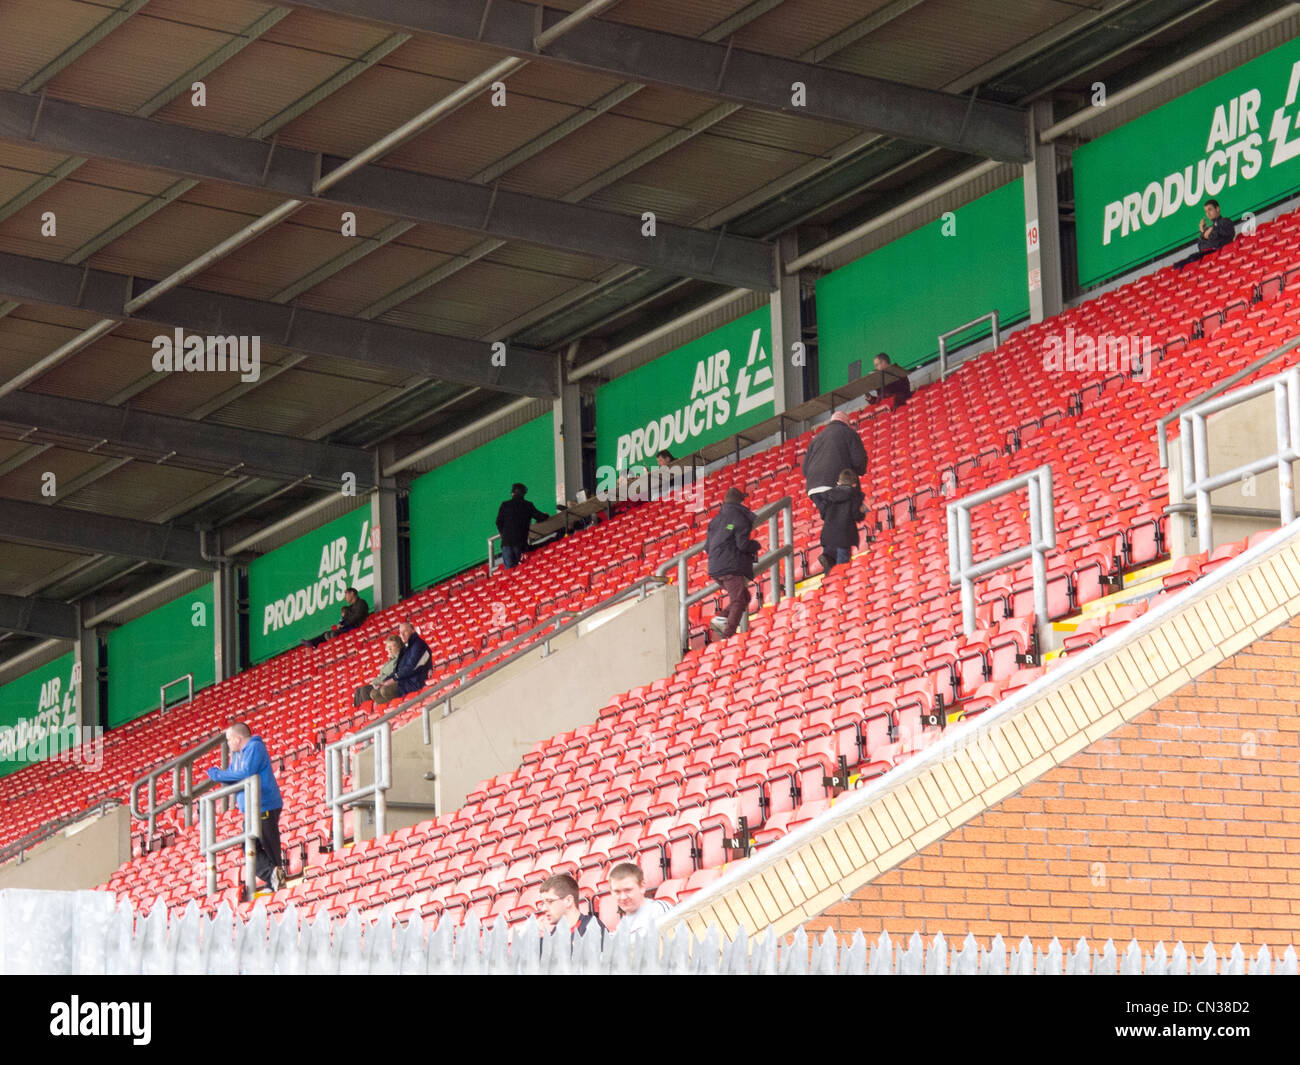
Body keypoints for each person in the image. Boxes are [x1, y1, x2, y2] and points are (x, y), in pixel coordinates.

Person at [204, 722, 284, 892]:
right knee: (249, 846)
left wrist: (218, 774)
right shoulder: (239, 756)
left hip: (264, 805)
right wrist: (221, 776)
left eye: (229, 740)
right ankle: (273, 877)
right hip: (251, 809)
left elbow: (246, 773)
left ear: (238, 738)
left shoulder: (256, 748)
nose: (228, 744)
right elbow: (233, 776)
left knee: (269, 845)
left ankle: (276, 882)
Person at [706, 487, 758, 639]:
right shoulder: (738, 516)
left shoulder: (715, 520)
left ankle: (722, 618)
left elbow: (708, 547)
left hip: (715, 567)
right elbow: (742, 545)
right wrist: (755, 545)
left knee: (744, 597)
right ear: (740, 501)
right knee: (738, 599)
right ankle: (727, 636)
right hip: (729, 567)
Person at [803, 411, 867, 518]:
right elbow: (859, 461)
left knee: (832, 521)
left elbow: (805, 470)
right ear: (847, 422)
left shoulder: (816, 439)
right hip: (835, 485)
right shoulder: (848, 433)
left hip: (814, 490)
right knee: (845, 519)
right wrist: (859, 472)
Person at [817, 469, 867, 575]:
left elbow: (823, 512)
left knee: (830, 564)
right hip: (844, 535)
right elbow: (856, 515)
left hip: (828, 534)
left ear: (838, 483)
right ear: (854, 485)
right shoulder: (854, 496)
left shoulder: (829, 495)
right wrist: (862, 512)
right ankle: (840, 581)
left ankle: (827, 561)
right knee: (842, 568)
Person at [609, 862, 670, 938]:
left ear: (642, 887)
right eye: (617, 892)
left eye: (628, 890)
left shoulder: (658, 909)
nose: (623, 897)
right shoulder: (621, 927)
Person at [537, 873, 604, 942]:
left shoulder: (592, 927)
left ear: (568, 901)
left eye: (550, 901)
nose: (544, 908)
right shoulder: (553, 935)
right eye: (543, 903)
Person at [495, 483, 549, 570]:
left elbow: (498, 522)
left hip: (506, 543)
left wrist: (503, 535)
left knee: (509, 572)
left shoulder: (505, 505)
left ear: (512, 493)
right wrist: (546, 515)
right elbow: (540, 516)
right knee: (519, 570)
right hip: (520, 542)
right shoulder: (528, 505)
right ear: (524, 494)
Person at [1174, 199, 1235, 270]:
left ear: (1217, 209)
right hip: (1206, 255)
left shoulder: (1225, 221)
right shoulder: (1208, 229)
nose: (1208, 213)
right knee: (1179, 265)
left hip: (1218, 253)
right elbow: (1201, 246)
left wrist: (1210, 232)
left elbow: (1225, 236)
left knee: (1190, 261)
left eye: (1210, 210)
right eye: (1206, 211)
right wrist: (1202, 232)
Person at [302, 586, 369, 647]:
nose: (345, 597)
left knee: (333, 634)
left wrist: (344, 624)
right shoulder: (349, 608)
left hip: (356, 627)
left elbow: (357, 616)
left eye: (346, 594)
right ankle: (312, 643)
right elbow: (345, 619)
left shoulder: (361, 602)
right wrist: (340, 624)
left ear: (352, 593)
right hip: (348, 627)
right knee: (326, 634)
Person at [353, 633, 403, 707]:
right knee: (358, 690)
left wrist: (375, 682)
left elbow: (390, 674)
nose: (388, 649)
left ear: (398, 647)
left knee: (365, 690)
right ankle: (358, 712)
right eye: (387, 647)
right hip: (381, 683)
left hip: (389, 683)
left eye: (391, 647)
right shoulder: (390, 661)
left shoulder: (399, 658)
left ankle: (368, 712)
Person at [392, 620, 432, 696]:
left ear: (413, 631)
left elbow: (411, 668)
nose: (402, 635)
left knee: (383, 691)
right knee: (368, 691)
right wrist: (387, 679)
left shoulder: (418, 645)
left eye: (405, 631)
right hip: (405, 682)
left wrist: (394, 678)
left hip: (413, 684)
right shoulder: (405, 648)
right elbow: (398, 669)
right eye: (400, 633)